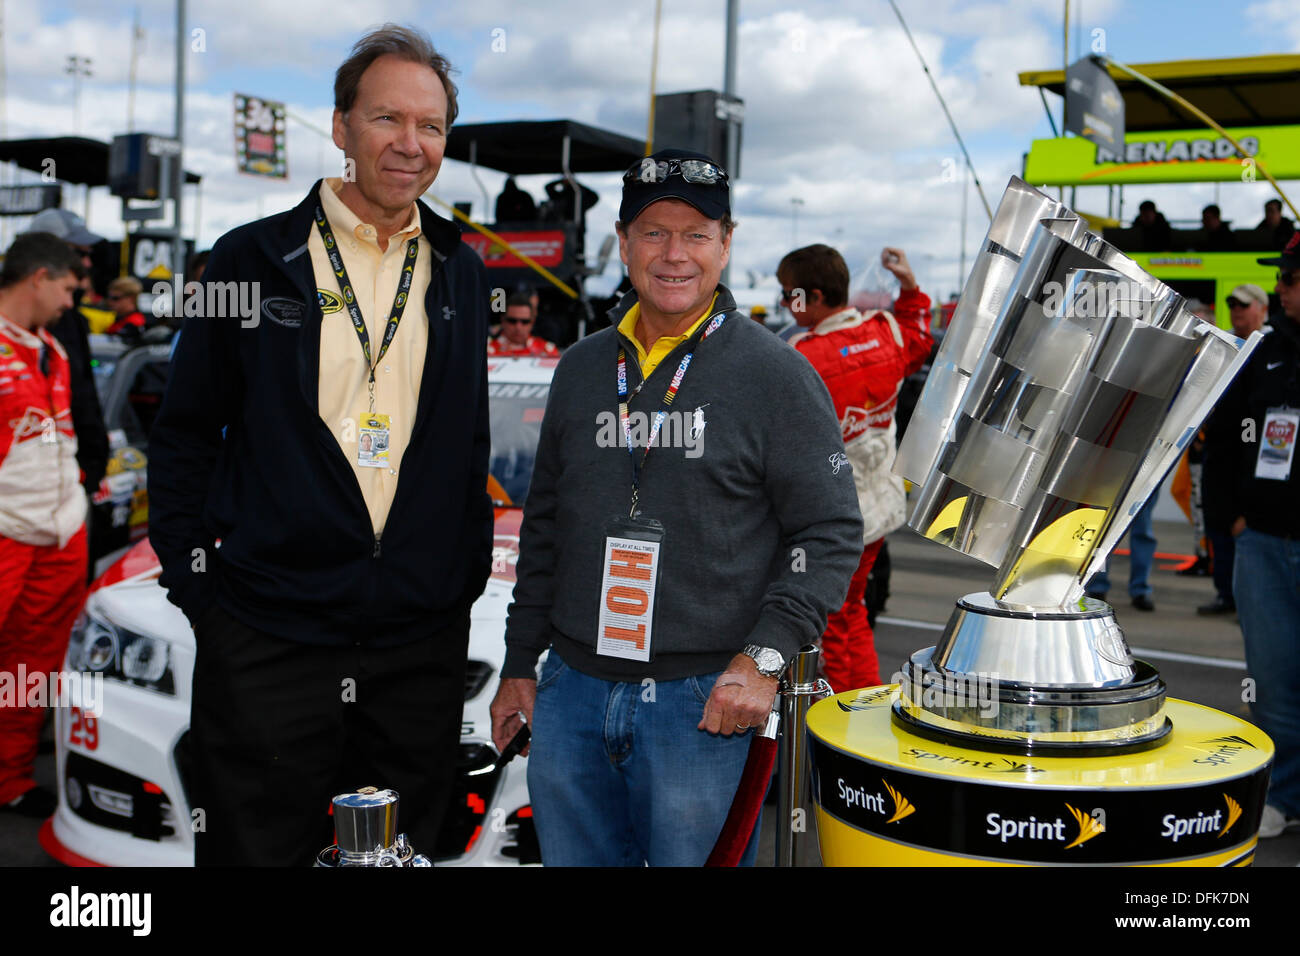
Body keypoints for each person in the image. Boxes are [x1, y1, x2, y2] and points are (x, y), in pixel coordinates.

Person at [148, 25, 494, 866]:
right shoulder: (247, 259)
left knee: (397, 856)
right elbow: (185, 431)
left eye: (432, 127)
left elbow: (464, 445)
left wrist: (457, 581)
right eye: (387, 120)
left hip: (418, 641)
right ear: (340, 127)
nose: (411, 145)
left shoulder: (461, 268)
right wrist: (207, 594)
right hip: (270, 636)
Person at [489, 147, 863, 866]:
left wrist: (763, 659)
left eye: (696, 234)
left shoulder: (776, 374)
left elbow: (831, 529)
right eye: (654, 232)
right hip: (572, 693)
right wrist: (518, 662)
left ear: (726, 244)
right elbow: (545, 529)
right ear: (624, 243)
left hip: (706, 703)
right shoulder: (581, 368)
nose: (674, 254)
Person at [782, 245, 933, 693]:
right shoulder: (885, 332)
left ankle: (846, 717)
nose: (783, 304)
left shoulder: (805, 354)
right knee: (851, 614)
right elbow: (919, 334)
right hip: (879, 508)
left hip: (831, 517)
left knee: (832, 624)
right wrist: (908, 284)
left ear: (810, 296)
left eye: (787, 295)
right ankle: (862, 703)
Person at [1212, 232, 1300, 838]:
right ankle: (1283, 793)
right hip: (1263, 543)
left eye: (1291, 279)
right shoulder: (1263, 350)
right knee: (1271, 679)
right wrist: (1230, 523)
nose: (1280, 288)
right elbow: (1220, 441)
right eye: (1283, 279)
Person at [0, 233, 89, 818]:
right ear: (38, 277)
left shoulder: (54, 348)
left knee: (32, 665)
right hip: (6, 533)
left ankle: (9, 780)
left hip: (61, 533)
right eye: (66, 287)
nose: (72, 299)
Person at [19, 210, 109, 525]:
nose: (86, 263)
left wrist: (90, 468)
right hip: (25, 498)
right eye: (79, 253)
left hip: (71, 483)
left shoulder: (71, 318)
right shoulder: (14, 319)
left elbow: (81, 397)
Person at [1197, 283, 1271, 616]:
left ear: (1261, 308)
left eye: (1242, 305)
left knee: (1247, 524)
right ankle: (1226, 593)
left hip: (1253, 451)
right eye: (1232, 305)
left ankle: (1248, 597)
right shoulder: (1223, 345)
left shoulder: (1272, 347)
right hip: (1219, 452)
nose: (1236, 311)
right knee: (1217, 523)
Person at [1085, 491, 1159, 611]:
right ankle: (1096, 586)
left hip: (1143, 477)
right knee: (1102, 535)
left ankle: (1140, 589)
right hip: (1113, 477)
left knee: (1143, 533)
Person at [487, 290, 559, 356]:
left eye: (525, 322)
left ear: (532, 322)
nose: (518, 327)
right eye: (512, 321)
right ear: (503, 320)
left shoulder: (547, 351)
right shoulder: (485, 351)